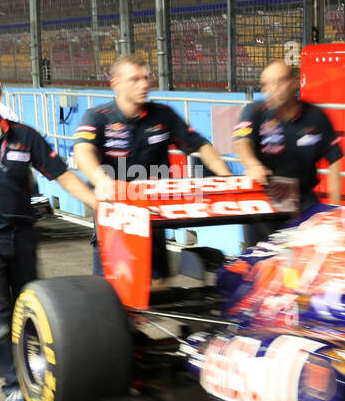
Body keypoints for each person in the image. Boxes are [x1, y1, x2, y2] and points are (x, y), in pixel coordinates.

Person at [0, 72, 100, 401]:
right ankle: (13, 386)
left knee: (31, 312)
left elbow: (62, 175)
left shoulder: (25, 137)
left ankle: (37, 375)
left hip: (22, 238)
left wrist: (101, 205)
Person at [74, 53, 231, 281]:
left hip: (153, 212)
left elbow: (200, 145)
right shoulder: (97, 117)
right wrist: (102, 181)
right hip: (114, 211)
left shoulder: (163, 115)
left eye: (147, 78)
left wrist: (225, 175)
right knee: (112, 285)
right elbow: (83, 151)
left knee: (157, 283)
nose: (145, 84)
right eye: (135, 79)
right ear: (115, 83)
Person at [234, 59, 343, 245]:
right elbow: (242, 142)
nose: (272, 89)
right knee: (259, 265)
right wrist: (252, 164)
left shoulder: (316, 116)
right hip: (263, 200)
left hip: (303, 200)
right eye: (267, 84)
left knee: (305, 262)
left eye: (279, 81)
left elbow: (335, 159)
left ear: (293, 83)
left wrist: (336, 209)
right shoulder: (255, 111)